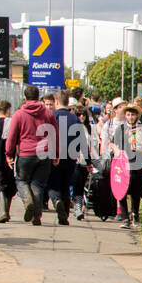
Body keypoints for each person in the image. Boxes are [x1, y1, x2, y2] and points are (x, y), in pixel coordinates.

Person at [4, 84, 59, 226]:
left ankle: (27, 199)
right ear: (38, 96)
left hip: (25, 153)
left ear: (25, 97)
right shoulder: (48, 113)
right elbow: (55, 134)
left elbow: (11, 136)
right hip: (44, 153)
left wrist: (9, 153)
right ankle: (37, 216)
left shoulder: (19, 114)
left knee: (21, 181)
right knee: (38, 185)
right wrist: (56, 153)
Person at [110, 105, 142, 228]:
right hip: (123, 163)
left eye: (133, 115)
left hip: (137, 163)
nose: (130, 117)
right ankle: (125, 218)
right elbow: (112, 143)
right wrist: (116, 150)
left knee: (135, 191)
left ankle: (135, 214)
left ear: (137, 116)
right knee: (122, 190)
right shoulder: (121, 128)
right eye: (128, 115)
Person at [47, 91, 82, 225]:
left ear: (56, 102)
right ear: (68, 102)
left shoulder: (52, 117)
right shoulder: (74, 119)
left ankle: (56, 200)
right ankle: (64, 216)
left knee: (52, 184)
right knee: (65, 186)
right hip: (71, 157)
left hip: (54, 156)